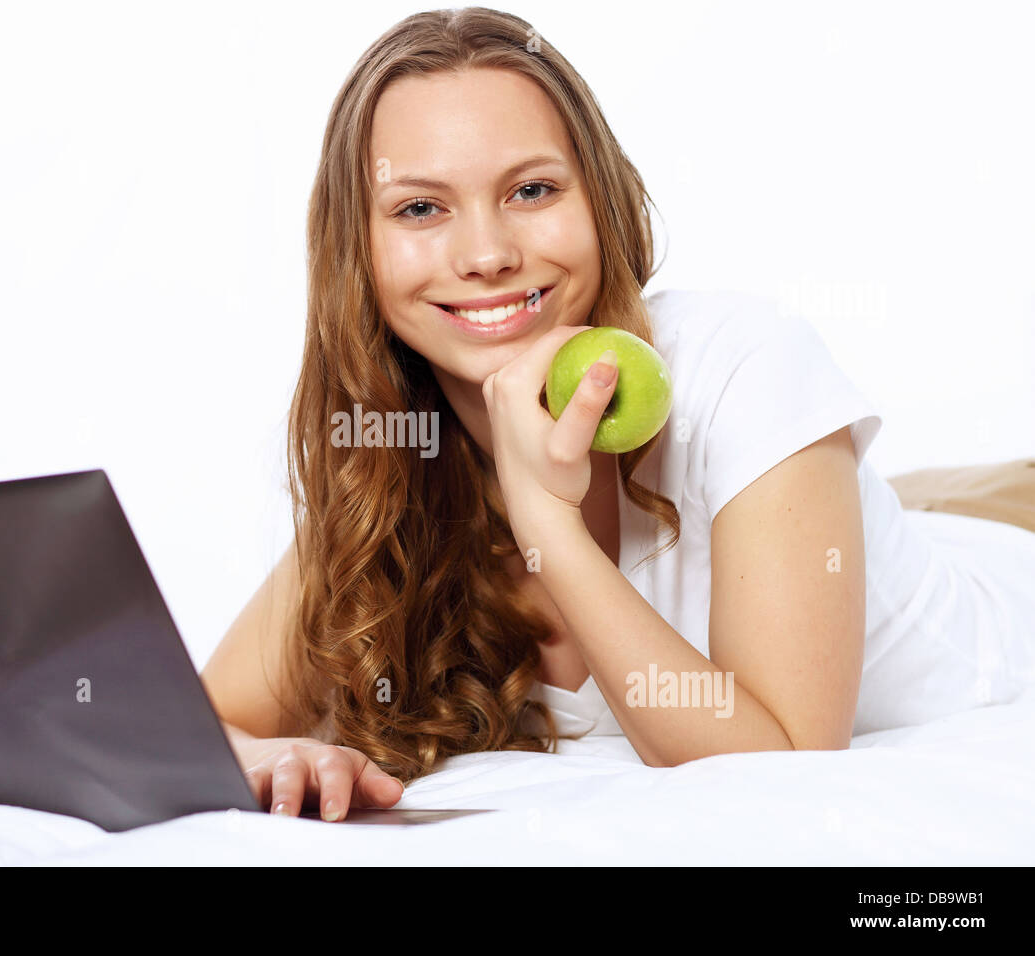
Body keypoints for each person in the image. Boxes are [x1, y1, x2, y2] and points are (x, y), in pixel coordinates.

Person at [200, 7, 1035, 822]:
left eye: (531, 190)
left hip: (1004, 542)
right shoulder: (397, 472)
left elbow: (781, 766)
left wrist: (546, 524)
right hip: (872, 510)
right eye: (421, 208)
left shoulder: (747, 363)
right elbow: (199, 717)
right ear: (359, 254)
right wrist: (269, 754)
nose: (488, 254)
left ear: (601, 203)